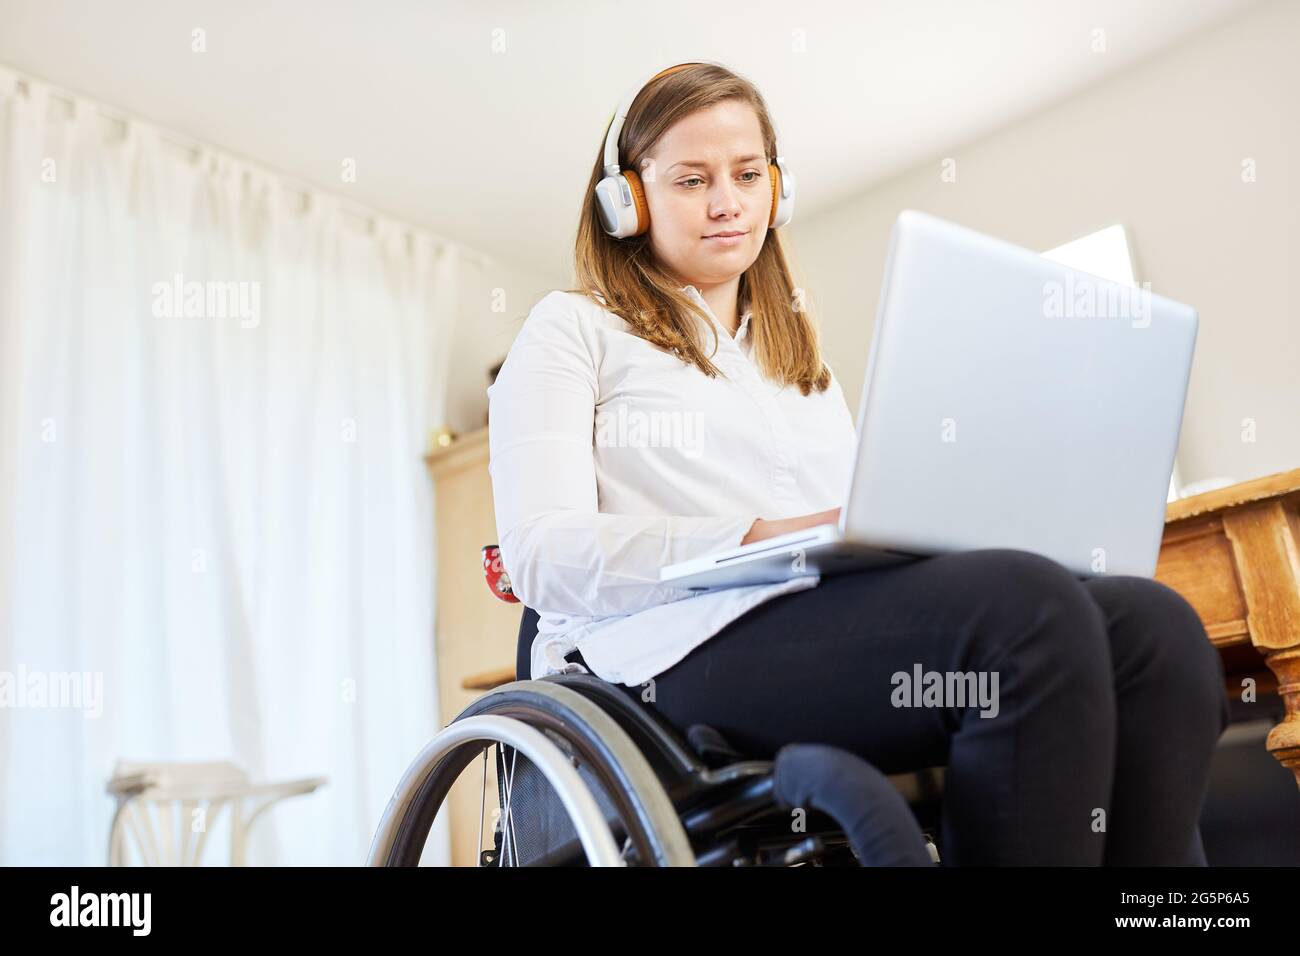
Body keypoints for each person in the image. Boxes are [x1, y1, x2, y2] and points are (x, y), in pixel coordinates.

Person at [486, 61, 1229, 865]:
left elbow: (849, 524)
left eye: (746, 174)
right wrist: (760, 534)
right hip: (659, 661)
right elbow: (541, 555)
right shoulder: (570, 330)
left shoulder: (799, 364)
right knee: (1027, 615)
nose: (727, 201)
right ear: (626, 204)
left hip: (812, 618)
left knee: (1157, 631)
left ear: (778, 189)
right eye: (692, 179)